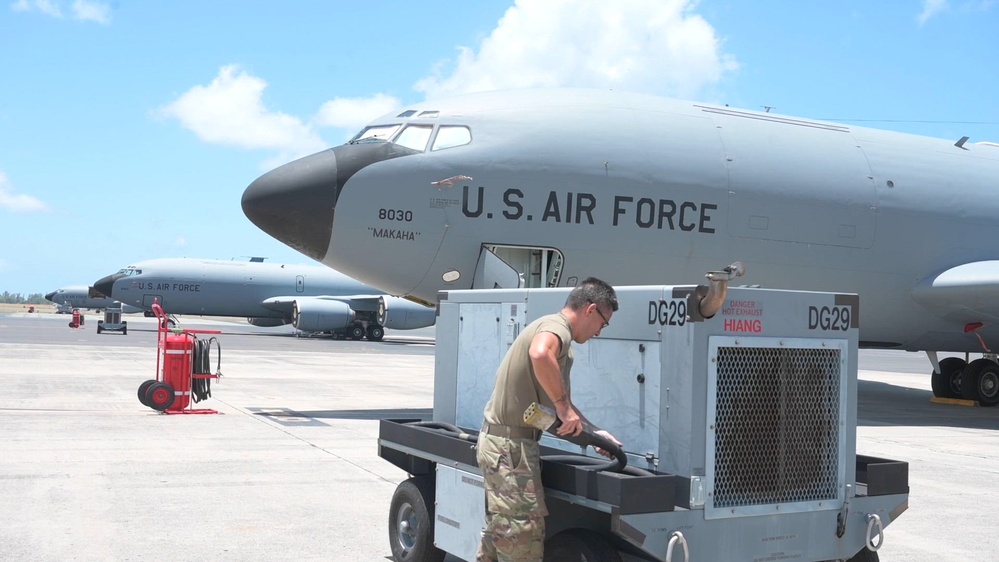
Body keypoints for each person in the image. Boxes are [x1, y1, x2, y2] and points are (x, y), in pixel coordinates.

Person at [476, 277, 622, 562]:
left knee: (501, 538)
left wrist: (595, 435)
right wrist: (563, 407)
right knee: (522, 545)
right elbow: (540, 354)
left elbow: (563, 407)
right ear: (591, 310)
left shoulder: (558, 335)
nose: (599, 332)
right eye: (603, 324)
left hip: (509, 446)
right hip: (510, 449)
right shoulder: (557, 329)